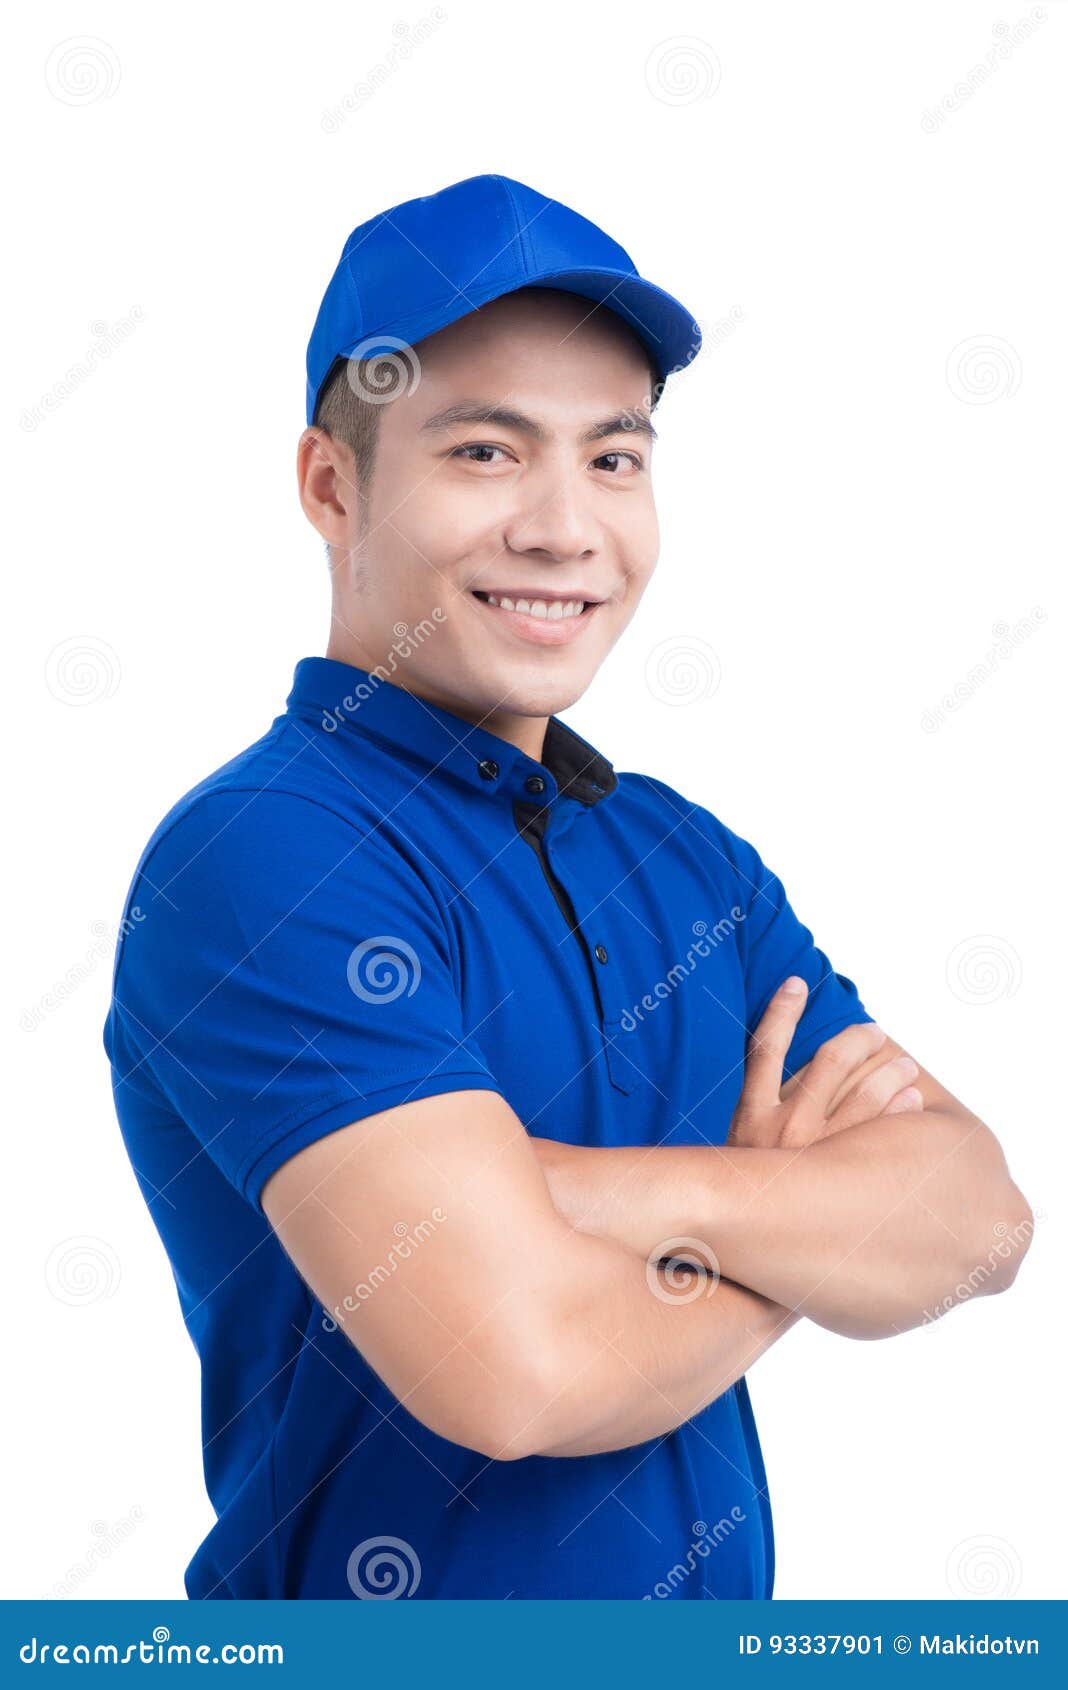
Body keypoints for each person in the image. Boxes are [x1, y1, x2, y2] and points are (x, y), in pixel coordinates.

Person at [103, 174, 1032, 1600]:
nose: (564, 528)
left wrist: (581, 1195)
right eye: (486, 451)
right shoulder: (264, 853)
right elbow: (517, 1369)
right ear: (331, 485)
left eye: (613, 459)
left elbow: (977, 1220)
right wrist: (801, 1223)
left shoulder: (684, 857)